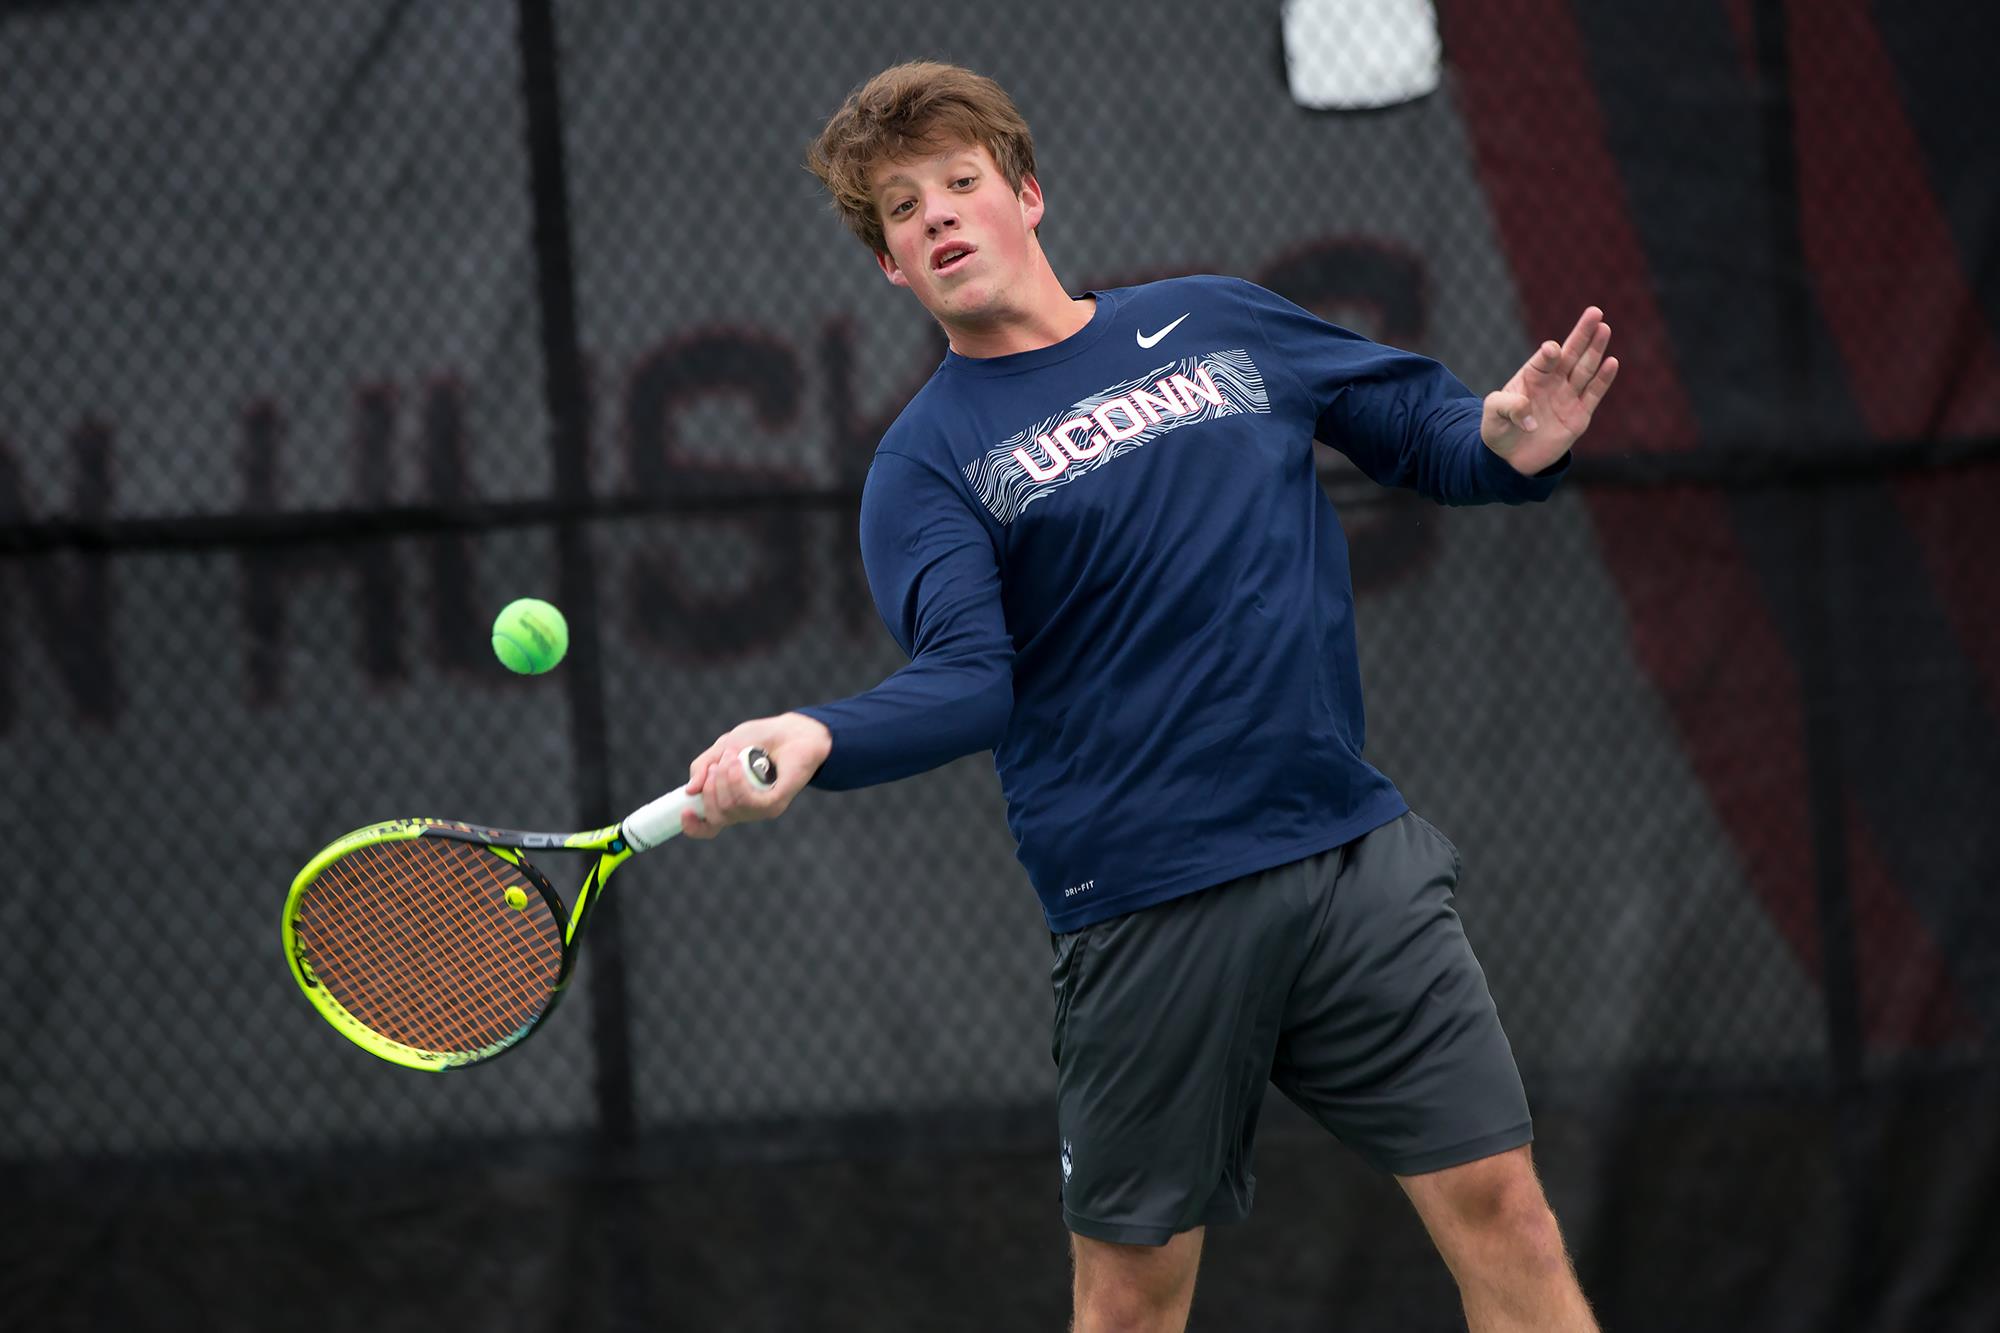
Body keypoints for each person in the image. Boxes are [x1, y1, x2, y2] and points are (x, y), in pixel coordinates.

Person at [677, 61, 1615, 1333]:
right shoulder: (923, 466)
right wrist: (819, 731)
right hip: (1145, 913)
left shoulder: (1219, 320)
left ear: (1027, 196)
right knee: (1128, 1301)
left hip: (1349, 859)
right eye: (901, 209)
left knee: (1503, 1208)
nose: (938, 215)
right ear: (891, 267)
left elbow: (1426, 433)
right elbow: (966, 683)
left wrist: (1506, 444)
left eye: (959, 183)